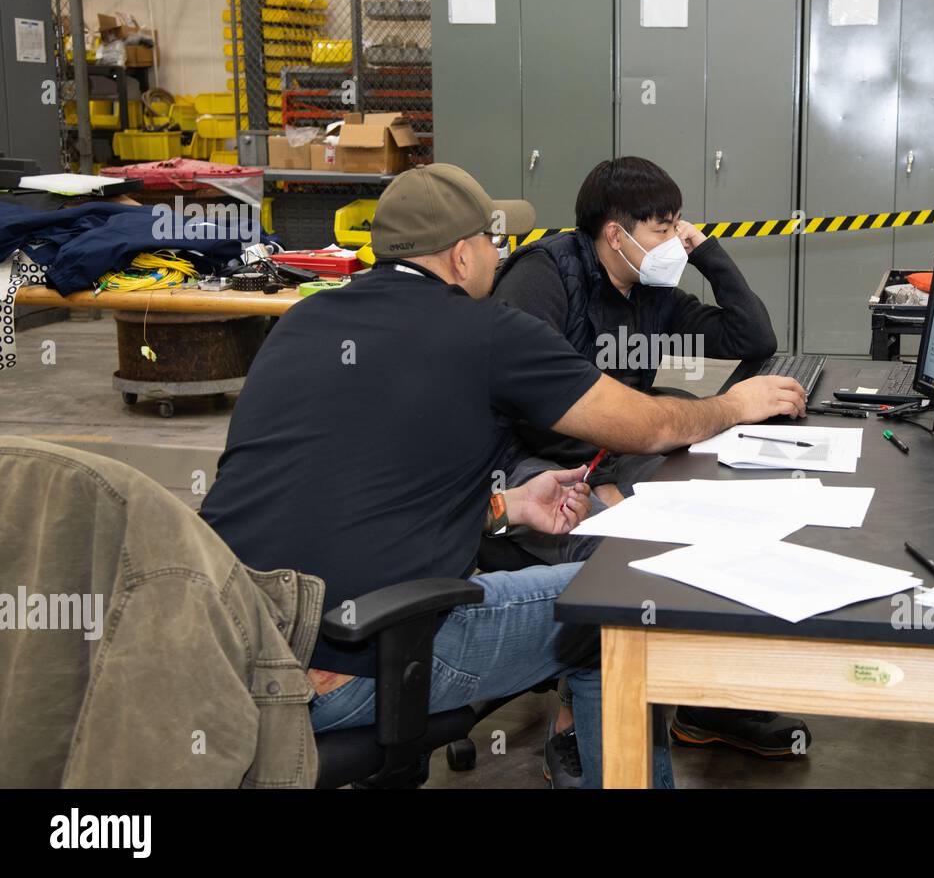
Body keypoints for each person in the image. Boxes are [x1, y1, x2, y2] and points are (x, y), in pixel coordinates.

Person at [199, 163, 807, 789]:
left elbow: (354, 487)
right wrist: (737, 405)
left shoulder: (302, 321)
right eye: (495, 241)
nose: (504, 253)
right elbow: (648, 428)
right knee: (623, 606)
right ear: (462, 256)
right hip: (346, 668)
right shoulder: (487, 330)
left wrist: (504, 507)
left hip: (220, 650)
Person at [489, 157, 812, 783]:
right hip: (523, 471)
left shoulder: (650, 293)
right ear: (616, 232)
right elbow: (525, 402)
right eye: (663, 228)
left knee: (721, 505)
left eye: (678, 227)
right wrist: (602, 479)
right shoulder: (544, 278)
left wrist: (707, 252)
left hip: (609, 457)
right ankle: (576, 720)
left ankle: (701, 701)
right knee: (630, 551)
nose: (674, 239)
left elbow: (753, 338)